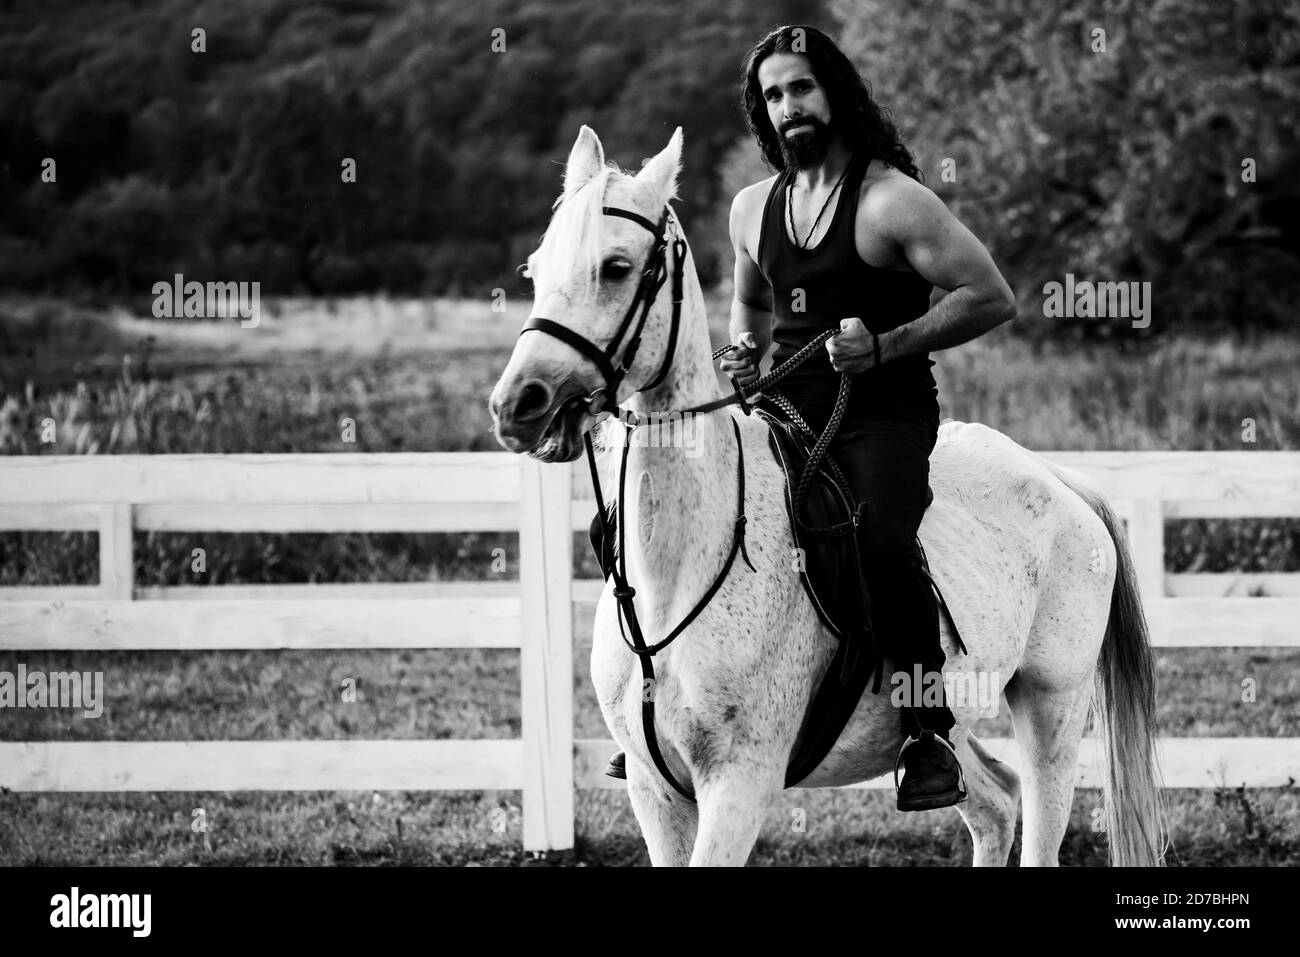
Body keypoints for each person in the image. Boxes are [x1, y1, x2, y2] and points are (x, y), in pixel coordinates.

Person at [600, 25, 1016, 811]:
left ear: (835, 93)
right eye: (773, 95)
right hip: (784, 407)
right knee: (640, 512)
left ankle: (925, 731)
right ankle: (656, 716)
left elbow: (991, 296)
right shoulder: (753, 208)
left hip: (881, 413)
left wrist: (885, 345)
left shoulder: (893, 201)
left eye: (801, 87)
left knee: (880, 538)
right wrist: (743, 355)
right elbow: (751, 303)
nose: (788, 106)